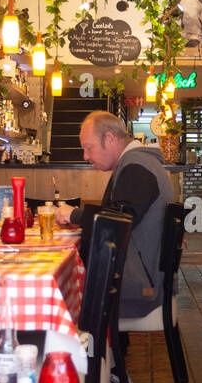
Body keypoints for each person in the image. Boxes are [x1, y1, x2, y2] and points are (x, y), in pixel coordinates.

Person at [54, 111, 173, 320]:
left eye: (88, 148)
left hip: (138, 288)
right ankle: (104, 351)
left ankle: (88, 349)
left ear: (109, 138)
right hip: (140, 278)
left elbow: (117, 222)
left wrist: (75, 215)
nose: (85, 156)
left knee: (60, 299)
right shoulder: (136, 163)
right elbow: (120, 216)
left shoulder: (136, 167)